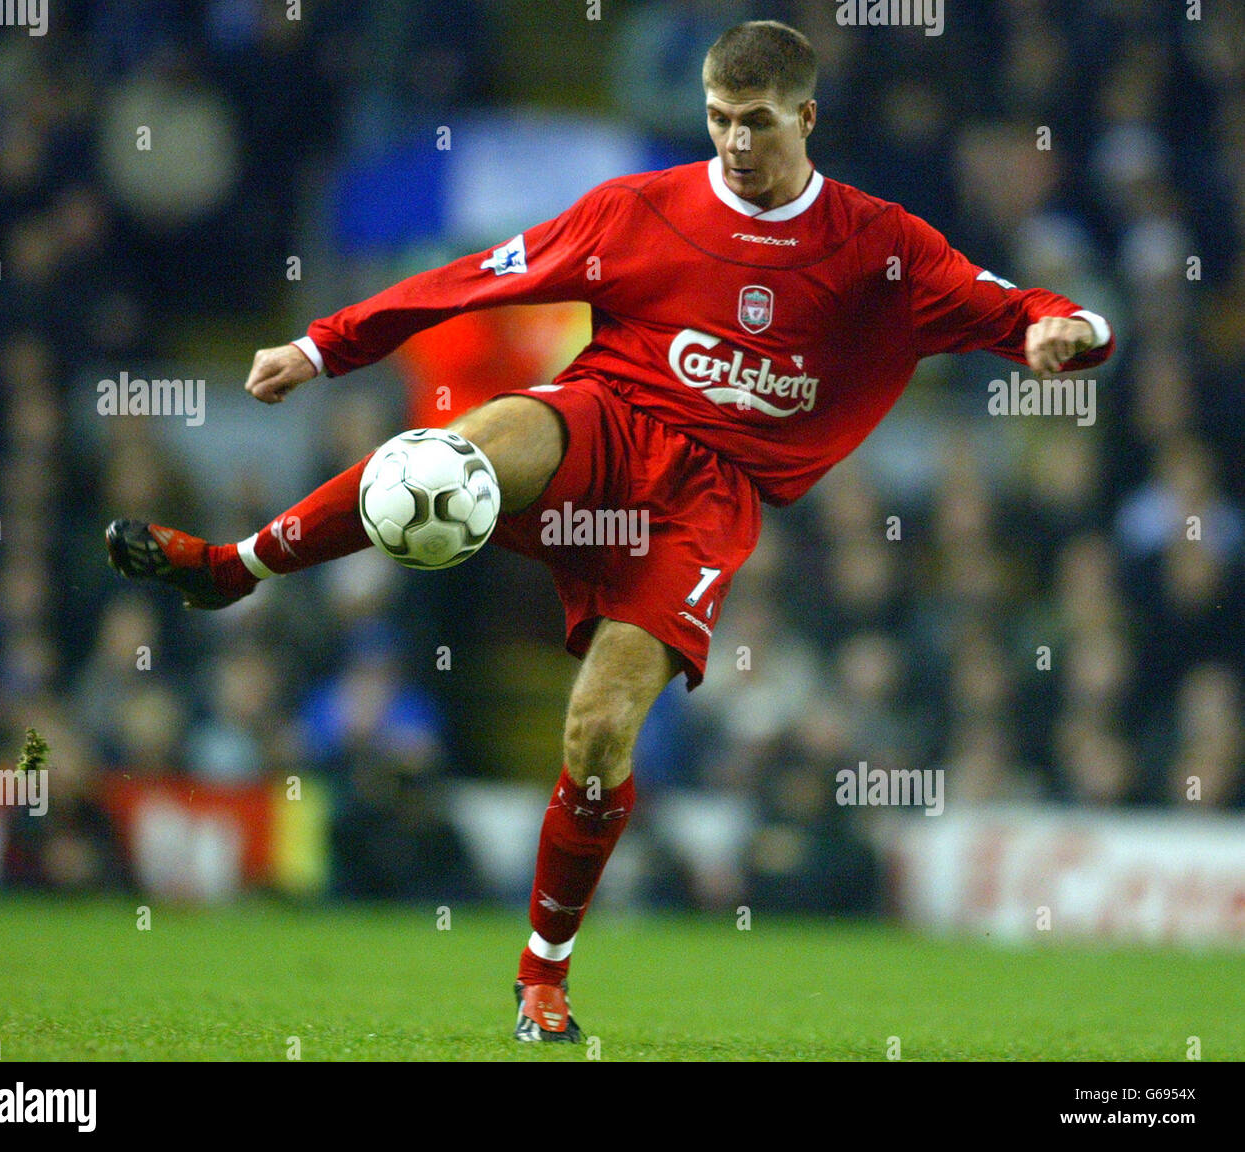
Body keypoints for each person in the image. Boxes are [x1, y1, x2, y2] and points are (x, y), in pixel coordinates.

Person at [106, 20, 1115, 1042]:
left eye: (756, 123)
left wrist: (1064, 333)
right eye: (719, 120)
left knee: (595, 737)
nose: (733, 143)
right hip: (601, 424)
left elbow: (1018, 306)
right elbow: (474, 280)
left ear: (805, 117)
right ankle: (237, 567)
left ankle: (542, 971)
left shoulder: (879, 248)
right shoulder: (639, 210)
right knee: (456, 454)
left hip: (705, 501)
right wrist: (325, 347)